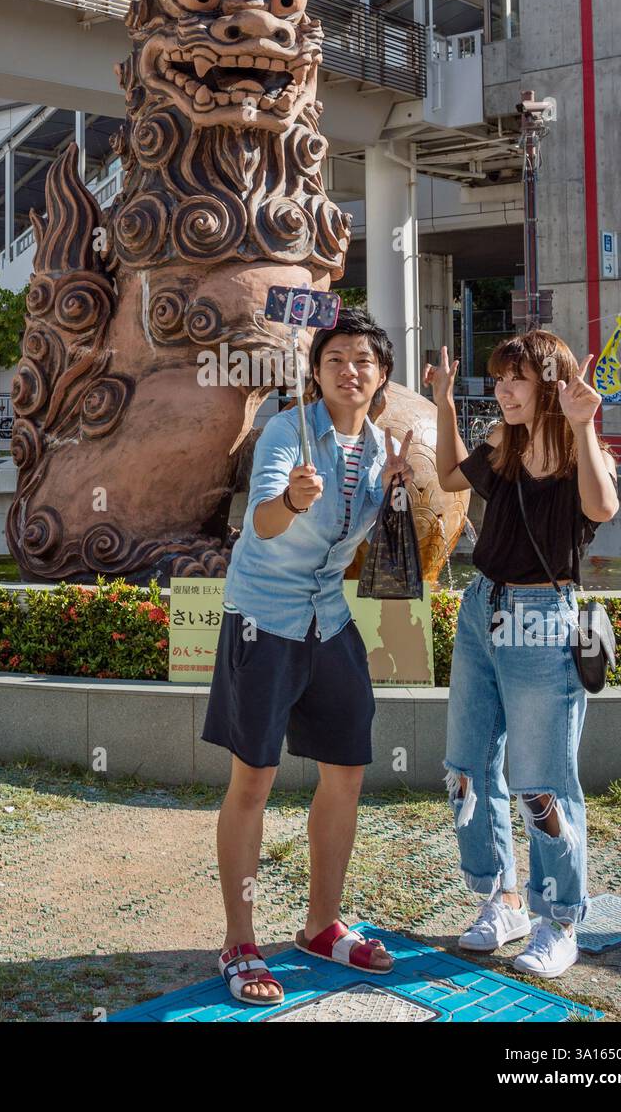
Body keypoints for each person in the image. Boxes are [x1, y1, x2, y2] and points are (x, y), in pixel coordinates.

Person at [201, 307, 415, 1006]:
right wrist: (290, 501)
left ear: (381, 375)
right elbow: (258, 523)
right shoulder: (283, 433)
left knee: (346, 771)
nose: (349, 371)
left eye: (362, 361)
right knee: (253, 781)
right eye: (335, 360)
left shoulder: (384, 448)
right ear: (316, 374)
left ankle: (321, 924)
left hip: (328, 619)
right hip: (264, 616)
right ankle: (239, 940)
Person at [426, 330, 618, 978]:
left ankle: (557, 919)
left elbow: (602, 505)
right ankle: (500, 897)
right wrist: (443, 404)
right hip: (482, 608)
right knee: (465, 767)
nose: (502, 390)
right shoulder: (501, 444)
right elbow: (448, 475)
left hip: (542, 620)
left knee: (541, 782)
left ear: (549, 384)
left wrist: (582, 425)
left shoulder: (576, 455)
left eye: (515, 379)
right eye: (499, 379)